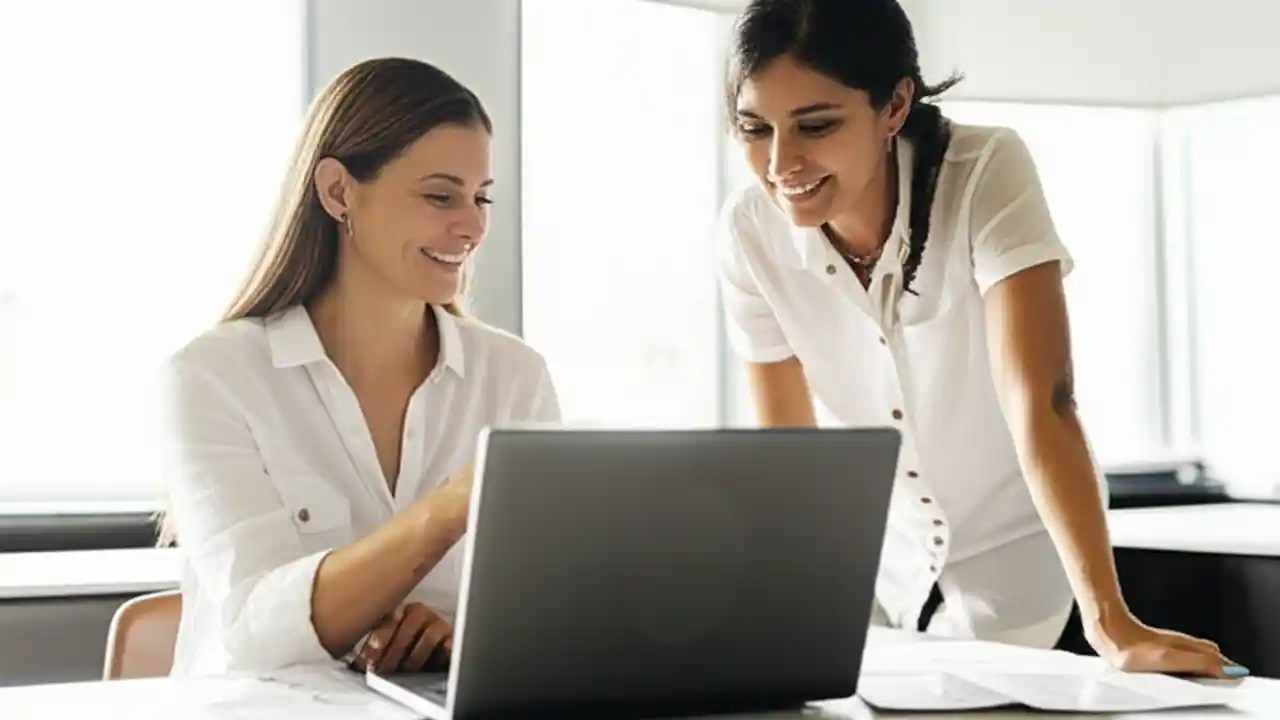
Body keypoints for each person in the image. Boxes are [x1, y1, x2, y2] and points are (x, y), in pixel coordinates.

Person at [716, 0, 1245, 678]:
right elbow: (793, 458)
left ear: (895, 106)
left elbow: (1042, 399)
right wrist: (786, 615)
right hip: (876, 582)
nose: (781, 164)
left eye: (815, 126)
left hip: (1024, 576)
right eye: (754, 128)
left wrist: (1111, 622)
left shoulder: (983, 170)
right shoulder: (747, 231)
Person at [158, 57, 559, 676]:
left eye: (481, 198)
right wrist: (451, 507)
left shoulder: (514, 376)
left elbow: (545, 611)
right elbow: (253, 628)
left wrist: (461, 636)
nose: (475, 226)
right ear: (339, 192)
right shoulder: (212, 377)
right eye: (440, 195)